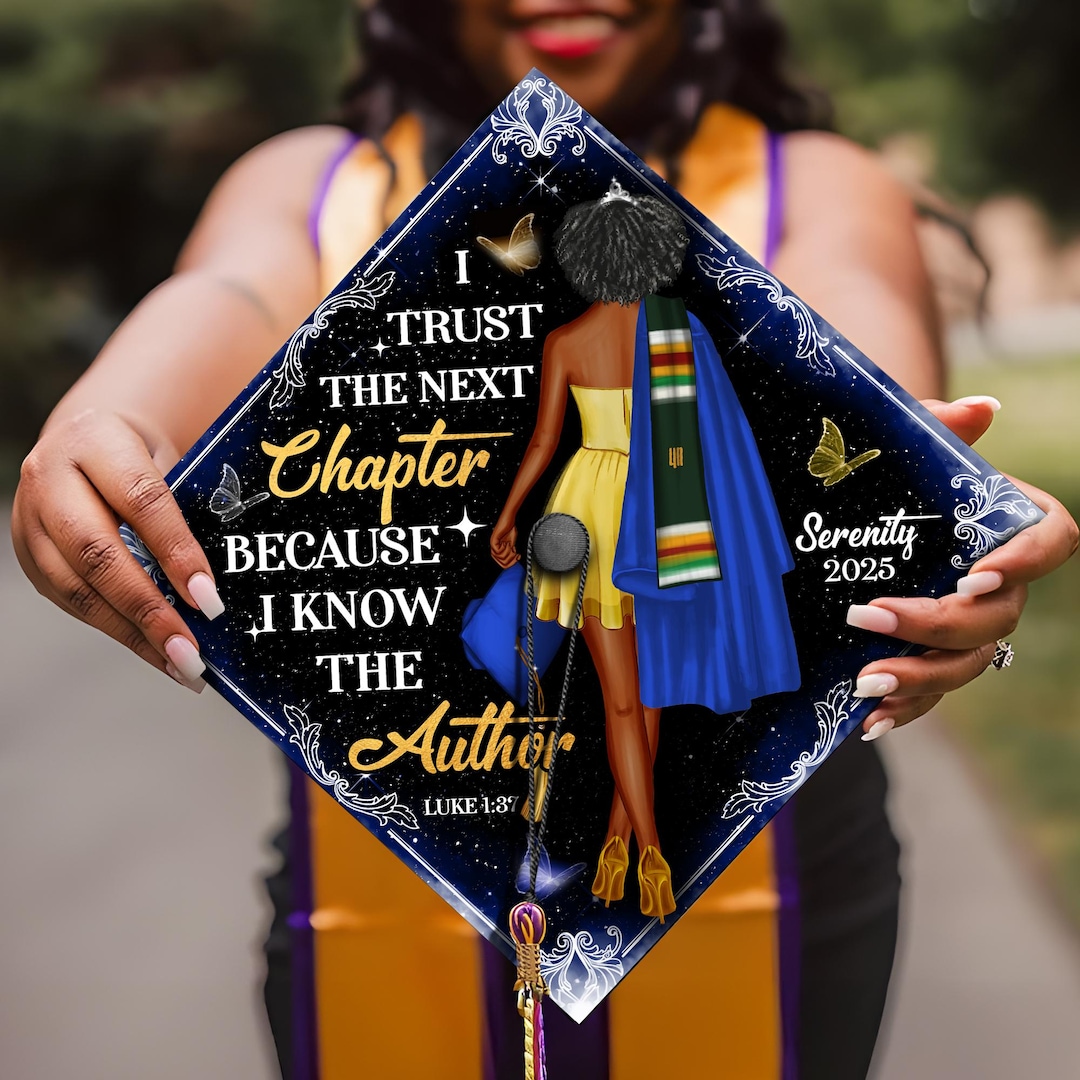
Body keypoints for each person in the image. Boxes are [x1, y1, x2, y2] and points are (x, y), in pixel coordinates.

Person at [11, 2, 1077, 1078]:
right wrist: (111, 417)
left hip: (773, 887)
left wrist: (918, 501)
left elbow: (858, 331)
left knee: (603, 692)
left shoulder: (812, 182)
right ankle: (637, 835)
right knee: (606, 694)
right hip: (374, 900)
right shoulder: (315, 185)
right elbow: (226, 289)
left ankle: (631, 838)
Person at [490, 184, 801, 924]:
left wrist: (508, 516)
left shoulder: (564, 341)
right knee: (642, 697)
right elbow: (717, 447)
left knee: (625, 697)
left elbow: (542, 444)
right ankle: (635, 852)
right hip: (666, 512)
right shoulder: (679, 333)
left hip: (588, 507)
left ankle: (635, 847)